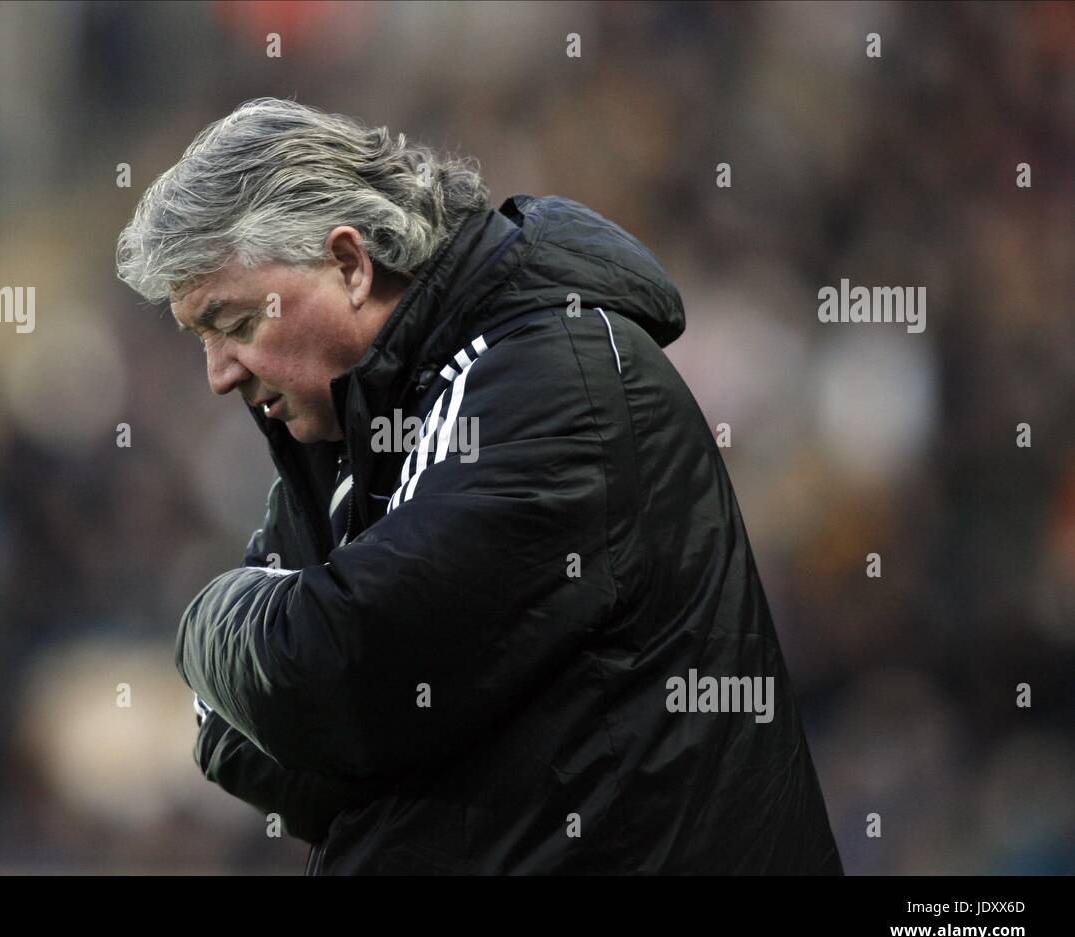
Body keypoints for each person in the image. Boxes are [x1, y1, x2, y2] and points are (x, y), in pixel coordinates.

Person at [116, 97, 843, 875]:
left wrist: (202, 629)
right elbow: (244, 739)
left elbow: (329, 672)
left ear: (351, 265)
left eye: (232, 324)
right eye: (201, 338)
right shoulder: (350, 430)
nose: (219, 375)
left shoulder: (556, 378)